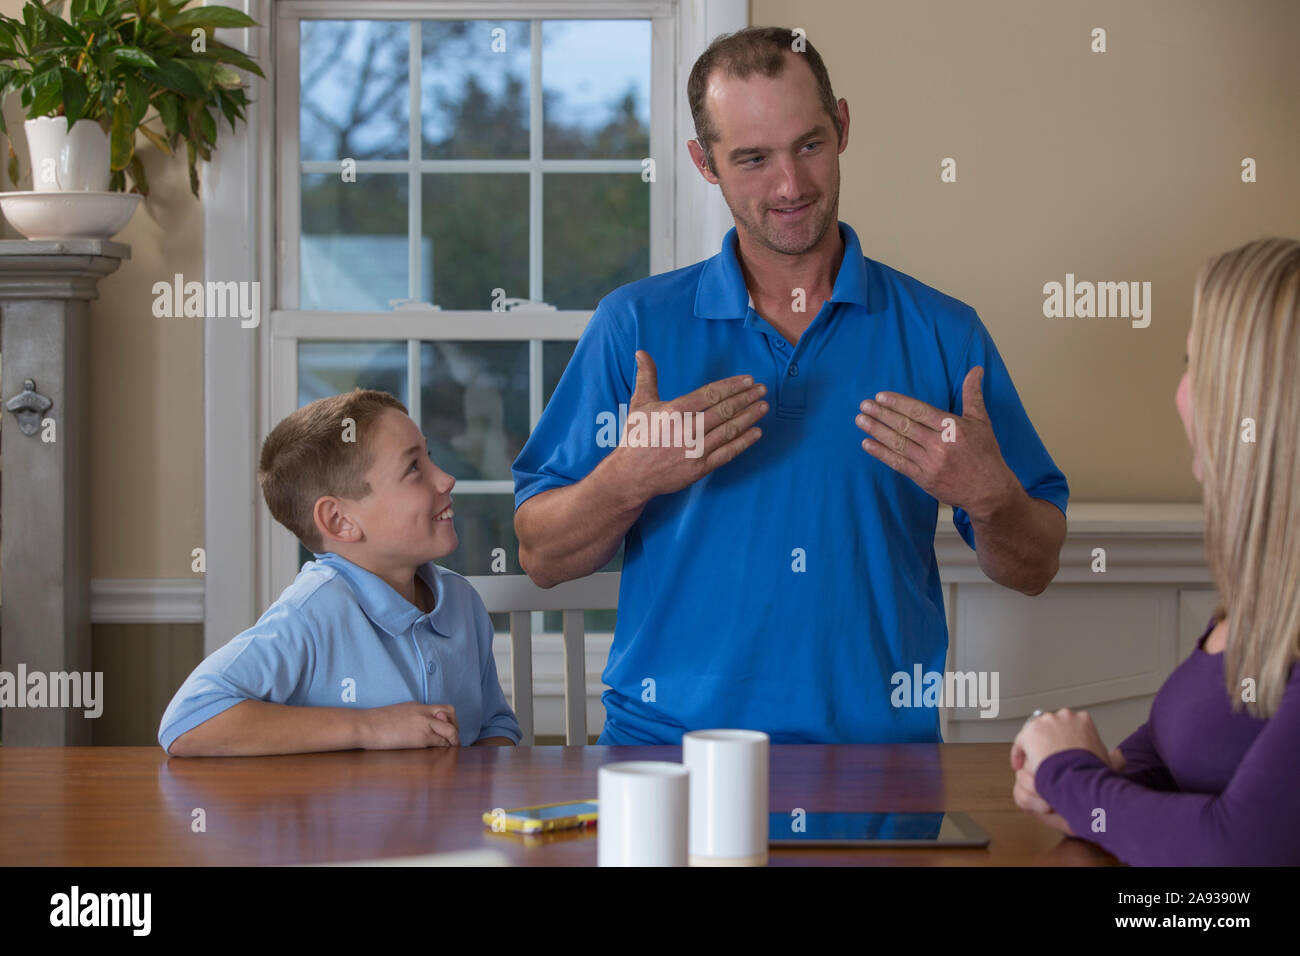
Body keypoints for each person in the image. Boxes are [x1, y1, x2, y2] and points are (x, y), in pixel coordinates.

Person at [512, 26, 1068, 745]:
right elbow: (540, 558)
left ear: (841, 125)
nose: (791, 186)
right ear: (703, 163)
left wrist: (992, 499)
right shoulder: (633, 327)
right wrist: (628, 479)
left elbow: (1036, 566)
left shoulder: (944, 333)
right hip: (667, 758)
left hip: (879, 764)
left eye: (809, 144)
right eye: (752, 159)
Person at [1011, 237, 1300, 865]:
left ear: (1258, 404)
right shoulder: (1265, 597)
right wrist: (1097, 779)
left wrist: (1074, 776)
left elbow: (1236, 850)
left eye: (1194, 364)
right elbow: (1182, 753)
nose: (1180, 394)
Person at [159, 389, 521, 755]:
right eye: (413, 468)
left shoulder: (461, 601)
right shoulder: (314, 612)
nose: (445, 479)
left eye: (430, 457)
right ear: (339, 520)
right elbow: (189, 719)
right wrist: (370, 727)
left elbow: (495, 724)